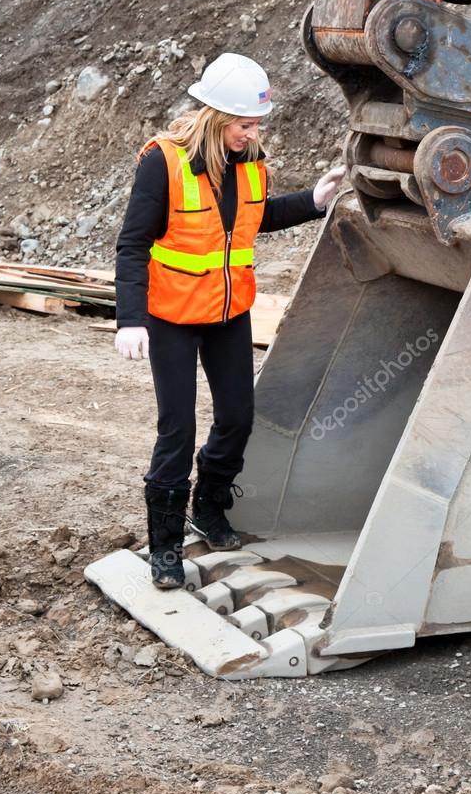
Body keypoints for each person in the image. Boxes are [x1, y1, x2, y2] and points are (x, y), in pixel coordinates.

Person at [114, 52, 345, 590]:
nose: (253, 132)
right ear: (215, 118)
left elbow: (254, 219)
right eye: (245, 123)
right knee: (177, 430)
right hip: (170, 315)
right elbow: (132, 245)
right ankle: (165, 547)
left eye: (257, 123)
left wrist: (314, 200)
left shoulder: (249, 161)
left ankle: (210, 508)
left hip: (228, 312)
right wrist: (130, 319)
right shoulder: (162, 163)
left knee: (238, 418)